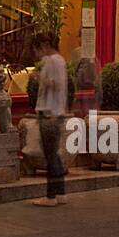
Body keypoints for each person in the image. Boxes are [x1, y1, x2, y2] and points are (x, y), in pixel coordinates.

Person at [29, 32, 68, 207]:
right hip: (56, 112)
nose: (36, 54)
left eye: (37, 49)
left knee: (50, 155)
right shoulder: (60, 60)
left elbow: (55, 83)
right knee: (54, 155)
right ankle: (60, 192)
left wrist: (39, 78)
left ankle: (50, 196)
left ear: (44, 46)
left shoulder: (52, 61)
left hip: (49, 113)